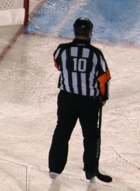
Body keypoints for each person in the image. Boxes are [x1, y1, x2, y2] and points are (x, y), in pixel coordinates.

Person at [48, 17, 113, 183]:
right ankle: (90, 171)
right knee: (91, 136)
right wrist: (103, 97)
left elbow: (57, 64)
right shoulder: (95, 54)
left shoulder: (62, 50)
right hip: (89, 102)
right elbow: (104, 78)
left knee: (61, 132)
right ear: (90, 32)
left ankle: (55, 168)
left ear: (75, 31)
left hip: (67, 99)